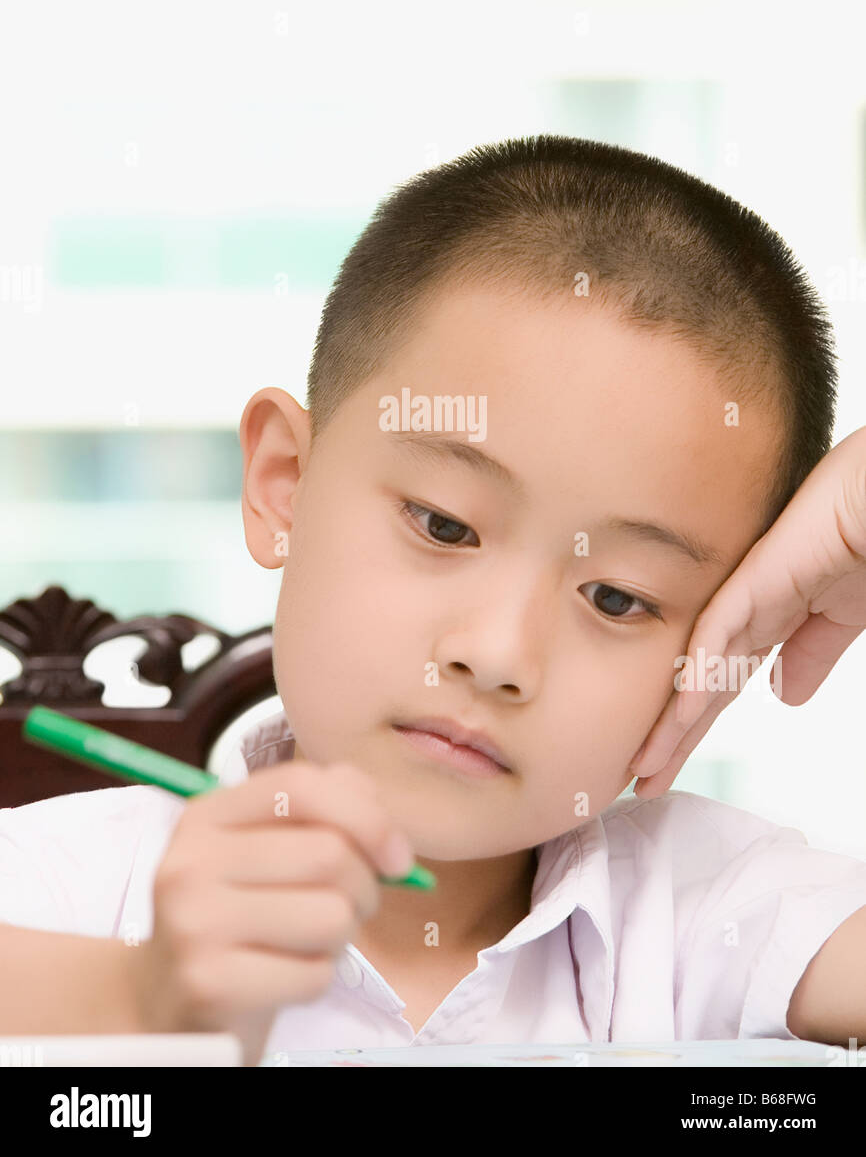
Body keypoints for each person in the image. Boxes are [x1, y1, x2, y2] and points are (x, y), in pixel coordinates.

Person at [2, 134, 866, 1066]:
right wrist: (139, 997)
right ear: (284, 483)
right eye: (445, 527)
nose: (496, 654)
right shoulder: (57, 883)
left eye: (617, 597)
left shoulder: (711, 910)